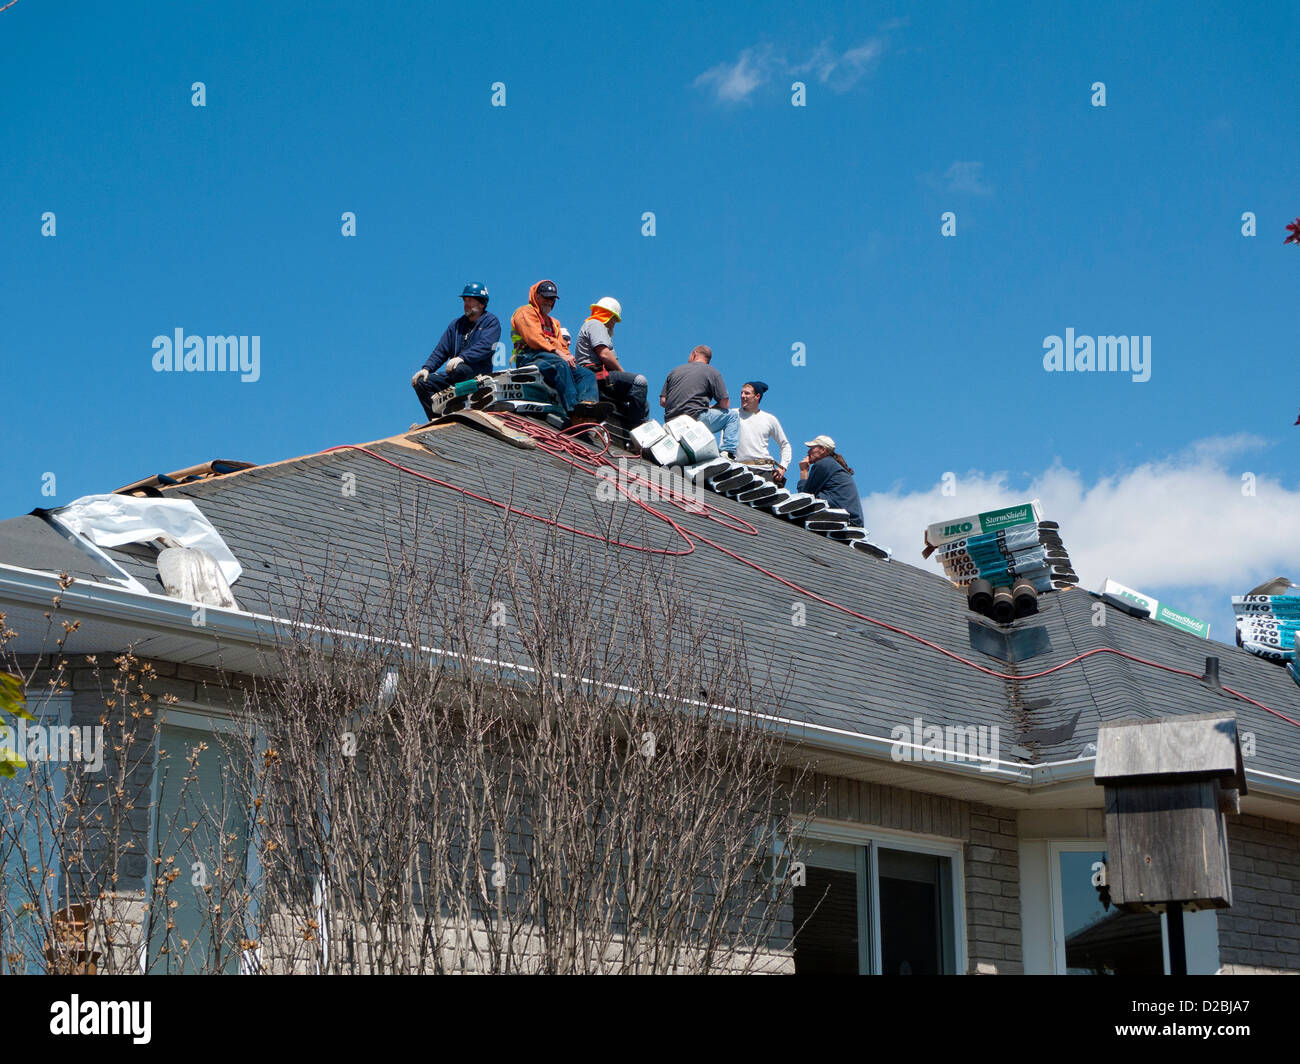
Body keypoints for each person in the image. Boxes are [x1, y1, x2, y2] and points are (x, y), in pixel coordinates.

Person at [411, 282, 500, 421]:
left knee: (459, 369)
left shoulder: (491, 322)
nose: (466, 304)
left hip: (477, 375)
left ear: (482, 303)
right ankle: (437, 419)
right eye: (465, 300)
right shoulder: (456, 325)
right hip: (454, 374)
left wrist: (462, 357)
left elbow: (487, 346)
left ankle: (462, 411)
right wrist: (427, 368)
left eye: (470, 300)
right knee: (422, 382)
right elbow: (441, 349)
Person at [510, 280, 599, 417]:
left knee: (586, 374)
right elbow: (534, 339)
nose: (549, 302)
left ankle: (588, 410)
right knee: (560, 365)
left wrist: (569, 357)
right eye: (546, 298)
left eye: (552, 299)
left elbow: (562, 346)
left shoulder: (554, 323)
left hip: (552, 357)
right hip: (528, 356)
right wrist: (557, 350)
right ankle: (573, 410)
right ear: (537, 296)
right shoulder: (525, 312)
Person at [574, 297, 649, 427]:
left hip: (601, 375)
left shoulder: (598, 328)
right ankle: (636, 432)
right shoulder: (596, 324)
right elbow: (604, 354)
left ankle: (637, 434)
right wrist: (623, 373)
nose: (614, 322)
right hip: (594, 374)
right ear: (607, 316)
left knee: (643, 402)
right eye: (614, 318)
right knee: (639, 382)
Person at [659, 345, 739, 457]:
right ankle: (728, 453)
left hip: (671, 421)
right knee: (733, 416)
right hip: (695, 417)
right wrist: (711, 408)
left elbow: (663, 401)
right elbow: (725, 404)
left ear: (694, 354)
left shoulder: (674, 371)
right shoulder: (712, 372)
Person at [797, 435, 864, 527]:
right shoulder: (831, 464)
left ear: (823, 450)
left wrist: (803, 472)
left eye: (812, 448)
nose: (808, 452)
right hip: (853, 519)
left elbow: (804, 498)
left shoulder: (823, 464)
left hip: (846, 519)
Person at [735, 381, 792, 485]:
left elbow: (785, 445)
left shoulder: (769, 419)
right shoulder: (732, 414)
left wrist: (783, 466)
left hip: (764, 472)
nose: (742, 396)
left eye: (747, 393)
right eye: (741, 393)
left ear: (757, 396)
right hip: (739, 469)